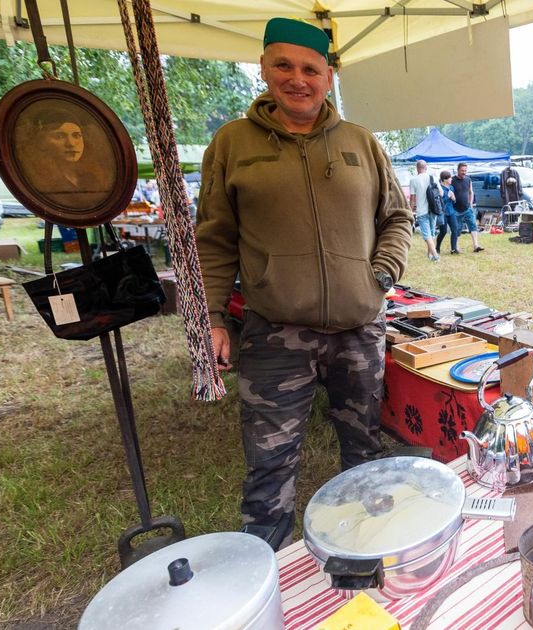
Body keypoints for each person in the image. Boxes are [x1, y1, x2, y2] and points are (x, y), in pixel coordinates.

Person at [195, 17, 413, 550]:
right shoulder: (232, 143)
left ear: (329, 74)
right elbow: (214, 240)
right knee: (269, 463)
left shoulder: (361, 142)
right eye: (284, 66)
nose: (298, 79)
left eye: (311, 68)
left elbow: (398, 218)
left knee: (364, 450)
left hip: (359, 329)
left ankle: (366, 551)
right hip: (275, 333)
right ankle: (265, 567)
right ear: (264, 68)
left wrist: (381, 273)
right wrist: (212, 319)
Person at [24, 111, 110, 208]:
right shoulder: (39, 180)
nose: (71, 143)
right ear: (42, 142)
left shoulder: (94, 177)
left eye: (76, 135)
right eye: (60, 136)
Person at [408, 160, 440, 262]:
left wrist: (410, 211)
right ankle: (429, 255)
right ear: (426, 168)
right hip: (433, 209)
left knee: (427, 235)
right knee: (431, 233)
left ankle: (435, 256)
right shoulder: (433, 178)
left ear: (417, 168)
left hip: (422, 211)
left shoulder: (414, 180)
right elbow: (441, 193)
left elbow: (412, 199)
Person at [451, 162, 484, 252]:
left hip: (467, 208)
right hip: (456, 209)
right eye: (462, 170)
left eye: (465, 170)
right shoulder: (452, 180)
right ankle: (456, 247)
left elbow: (471, 192)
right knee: (457, 229)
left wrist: (470, 203)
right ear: (458, 170)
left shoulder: (468, 179)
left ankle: (476, 246)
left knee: (473, 225)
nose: (464, 172)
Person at [435, 170, 461, 255]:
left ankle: (453, 249)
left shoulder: (451, 187)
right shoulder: (440, 189)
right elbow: (440, 202)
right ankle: (437, 247)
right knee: (443, 231)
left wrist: (454, 199)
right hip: (443, 213)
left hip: (451, 212)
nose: (451, 179)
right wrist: (448, 196)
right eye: (449, 178)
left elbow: (454, 201)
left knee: (455, 230)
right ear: (445, 179)